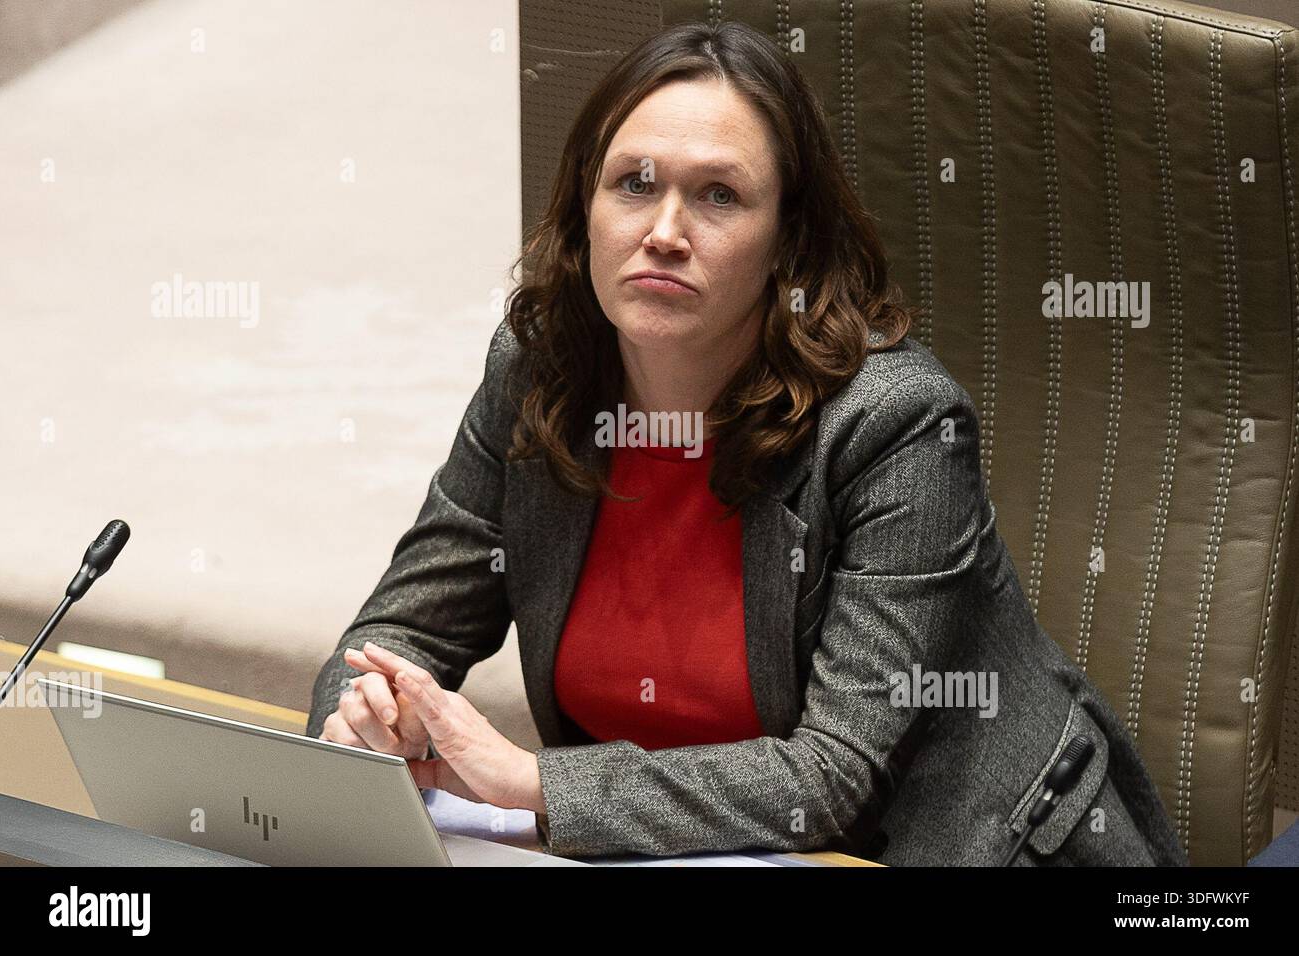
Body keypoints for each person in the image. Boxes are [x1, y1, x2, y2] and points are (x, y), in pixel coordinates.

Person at [306, 19, 1186, 866]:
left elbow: (833, 778)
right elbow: (396, 631)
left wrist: (534, 783)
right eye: (635, 183)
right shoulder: (539, 370)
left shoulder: (897, 424)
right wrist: (368, 716)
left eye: (719, 195)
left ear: (788, 245)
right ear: (586, 208)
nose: (664, 230)